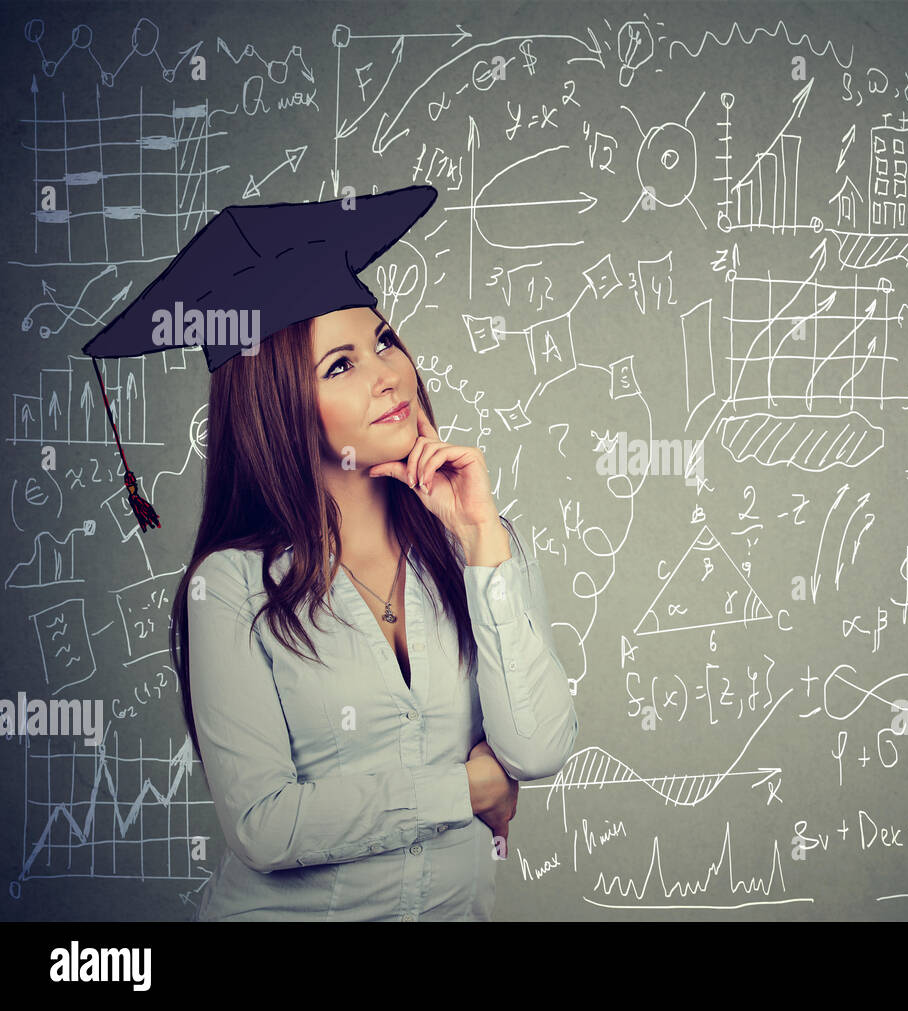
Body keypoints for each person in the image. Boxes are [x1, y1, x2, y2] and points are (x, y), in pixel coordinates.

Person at [81, 186, 579, 920]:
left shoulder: (475, 545)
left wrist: (484, 544)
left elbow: (535, 750)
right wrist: (460, 789)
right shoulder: (233, 589)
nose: (388, 374)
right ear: (279, 406)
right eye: (340, 365)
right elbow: (266, 825)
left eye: (382, 341)